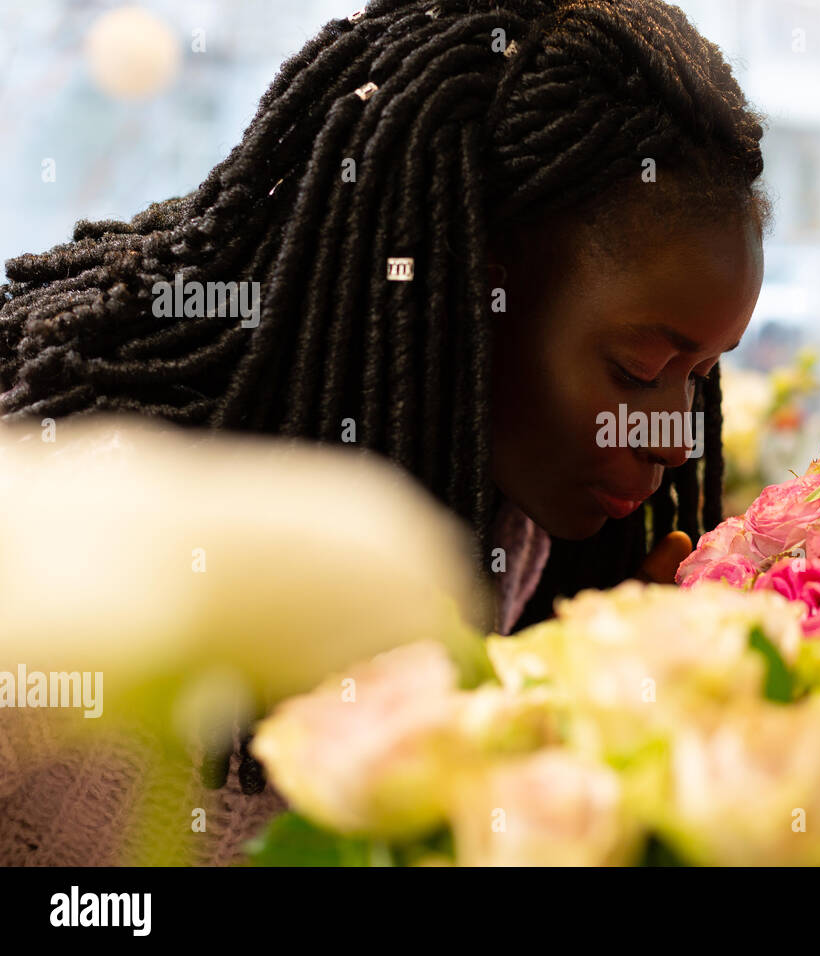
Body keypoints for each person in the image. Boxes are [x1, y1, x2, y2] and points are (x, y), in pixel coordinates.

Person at [0, 0, 766, 864]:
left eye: (700, 378)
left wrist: (597, 702)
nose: (675, 439)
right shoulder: (87, 526)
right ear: (476, 281)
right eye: (636, 368)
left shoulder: (510, 534)